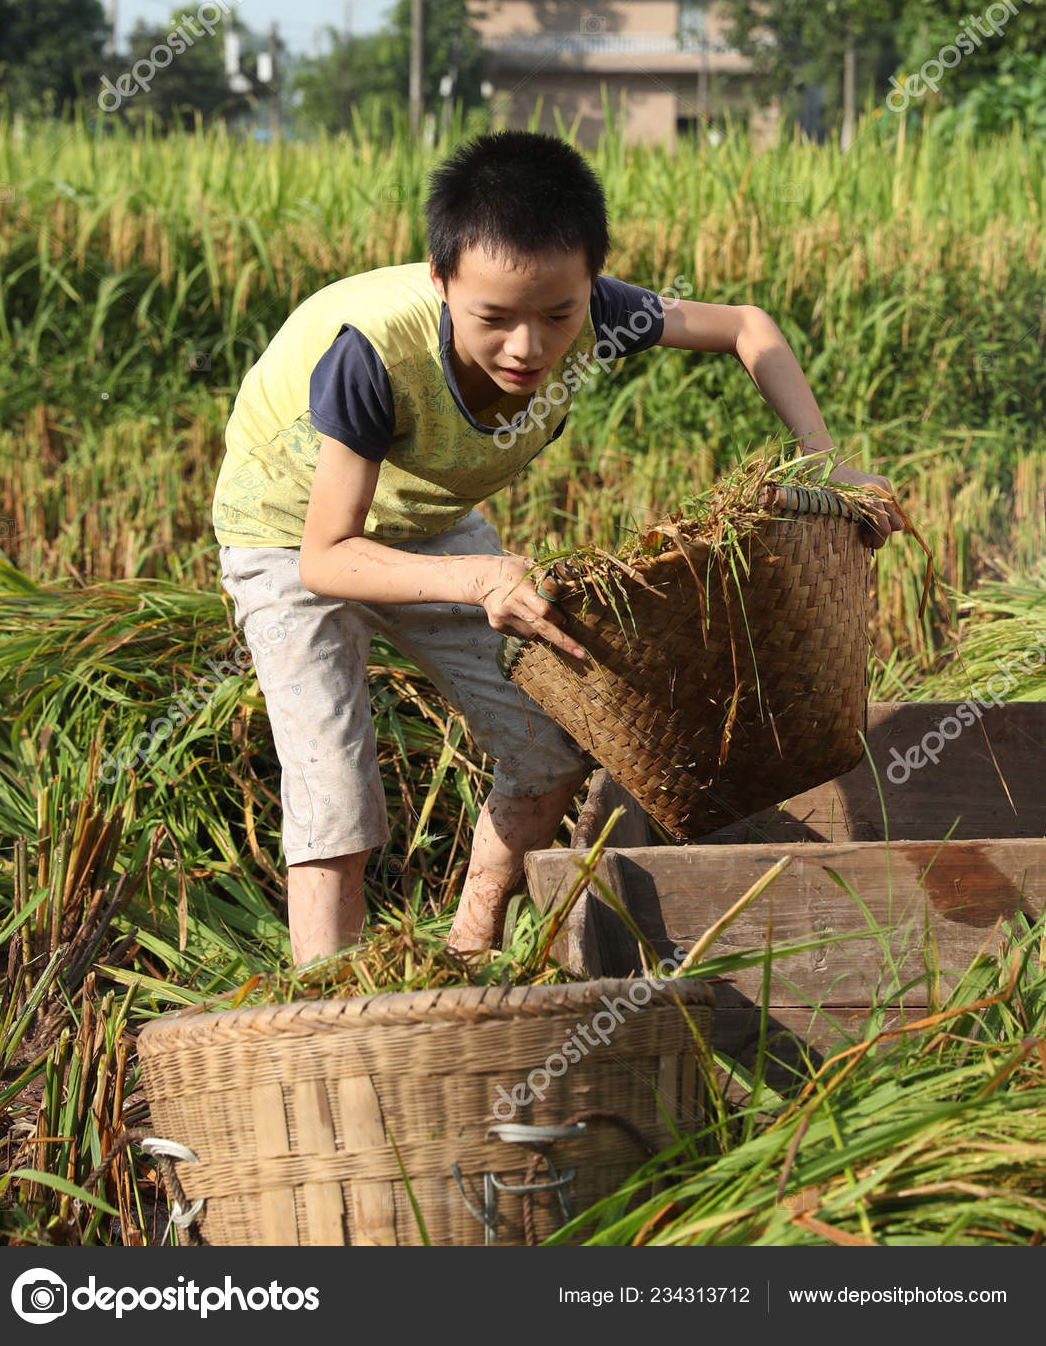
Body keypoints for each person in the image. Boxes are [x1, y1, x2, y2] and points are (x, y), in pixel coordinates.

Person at [212, 130, 902, 964]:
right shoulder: (371, 355)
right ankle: (334, 1017)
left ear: (587, 288)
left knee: (549, 751)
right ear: (440, 282)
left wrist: (824, 466)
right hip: (291, 535)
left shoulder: (597, 312)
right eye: (493, 319)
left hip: (430, 518)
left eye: (557, 316)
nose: (528, 348)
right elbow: (327, 556)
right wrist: (479, 577)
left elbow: (746, 327)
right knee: (334, 795)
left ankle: (468, 956)